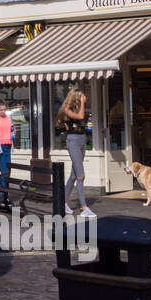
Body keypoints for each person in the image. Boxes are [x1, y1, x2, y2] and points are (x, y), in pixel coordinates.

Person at [56, 86, 94, 218]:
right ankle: (84, 208)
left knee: (74, 175)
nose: (82, 99)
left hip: (82, 140)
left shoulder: (79, 109)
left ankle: (62, 202)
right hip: (73, 142)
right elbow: (80, 116)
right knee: (81, 175)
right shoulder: (67, 110)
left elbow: (83, 120)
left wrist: (88, 126)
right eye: (80, 97)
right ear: (75, 98)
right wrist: (83, 103)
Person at [0, 100, 16, 208]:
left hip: (8, 146)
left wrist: (13, 132)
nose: (3, 112)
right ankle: (4, 199)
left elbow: (12, 128)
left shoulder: (8, 118)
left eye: (5, 109)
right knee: (4, 172)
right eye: (1, 110)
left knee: (7, 173)